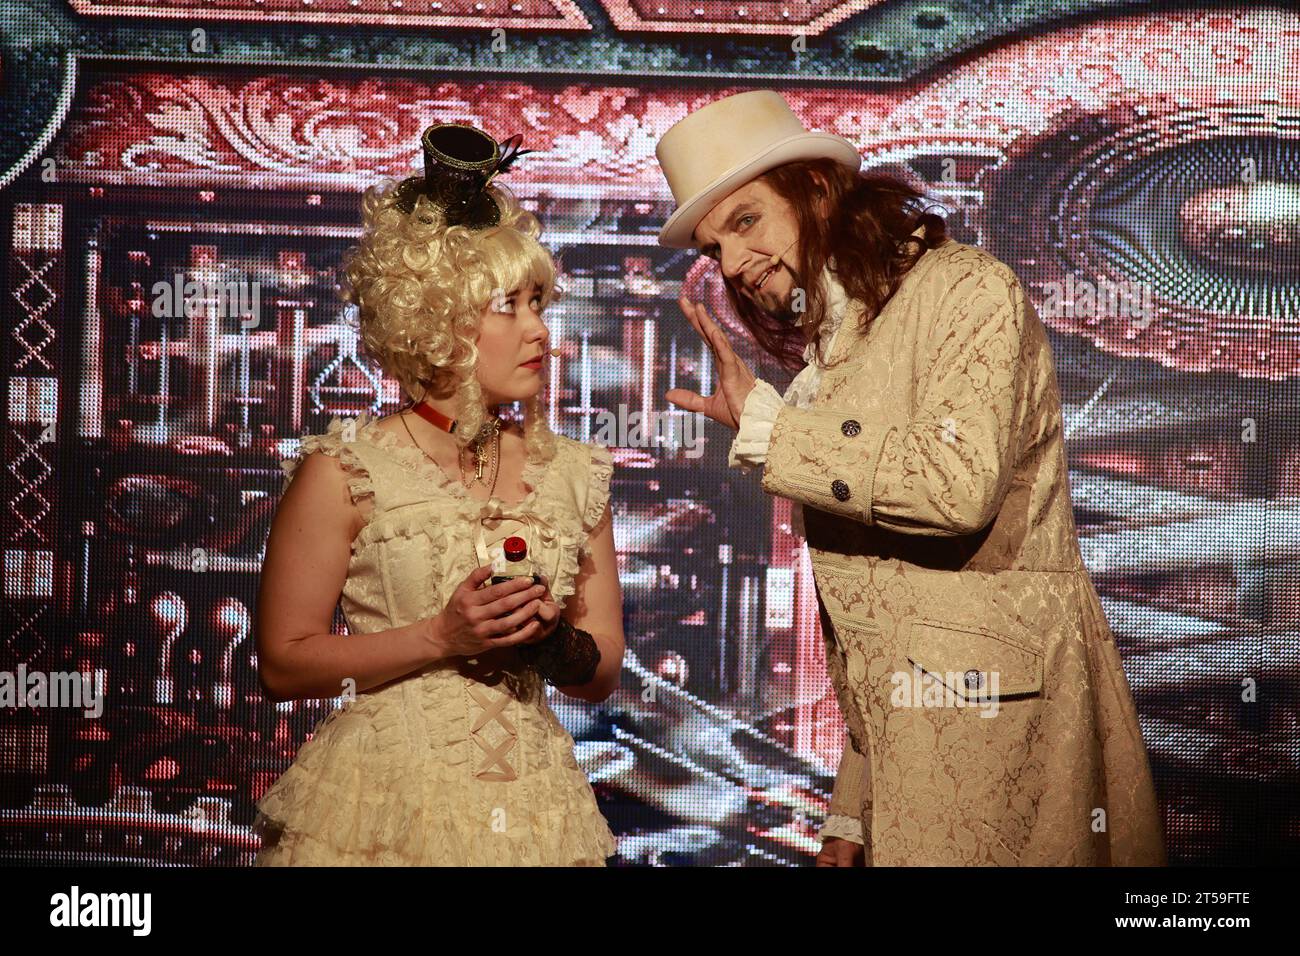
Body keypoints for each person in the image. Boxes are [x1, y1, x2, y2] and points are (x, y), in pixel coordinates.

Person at [656, 90, 1166, 866]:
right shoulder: (837, 351)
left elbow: (954, 488)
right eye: (712, 247)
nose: (732, 263)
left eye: (746, 221)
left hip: (1002, 741)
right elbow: (882, 628)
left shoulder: (967, 291)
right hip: (907, 763)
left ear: (817, 188)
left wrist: (772, 434)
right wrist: (852, 816)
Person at [252, 122, 624, 865]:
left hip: (530, 810)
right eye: (509, 306)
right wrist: (440, 638)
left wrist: (553, 642)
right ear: (438, 321)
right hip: (382, 809)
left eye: (540, 304)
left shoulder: (575, 472)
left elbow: (601, 673)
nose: (540, 333)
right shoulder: (348, 468)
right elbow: (283, 665)